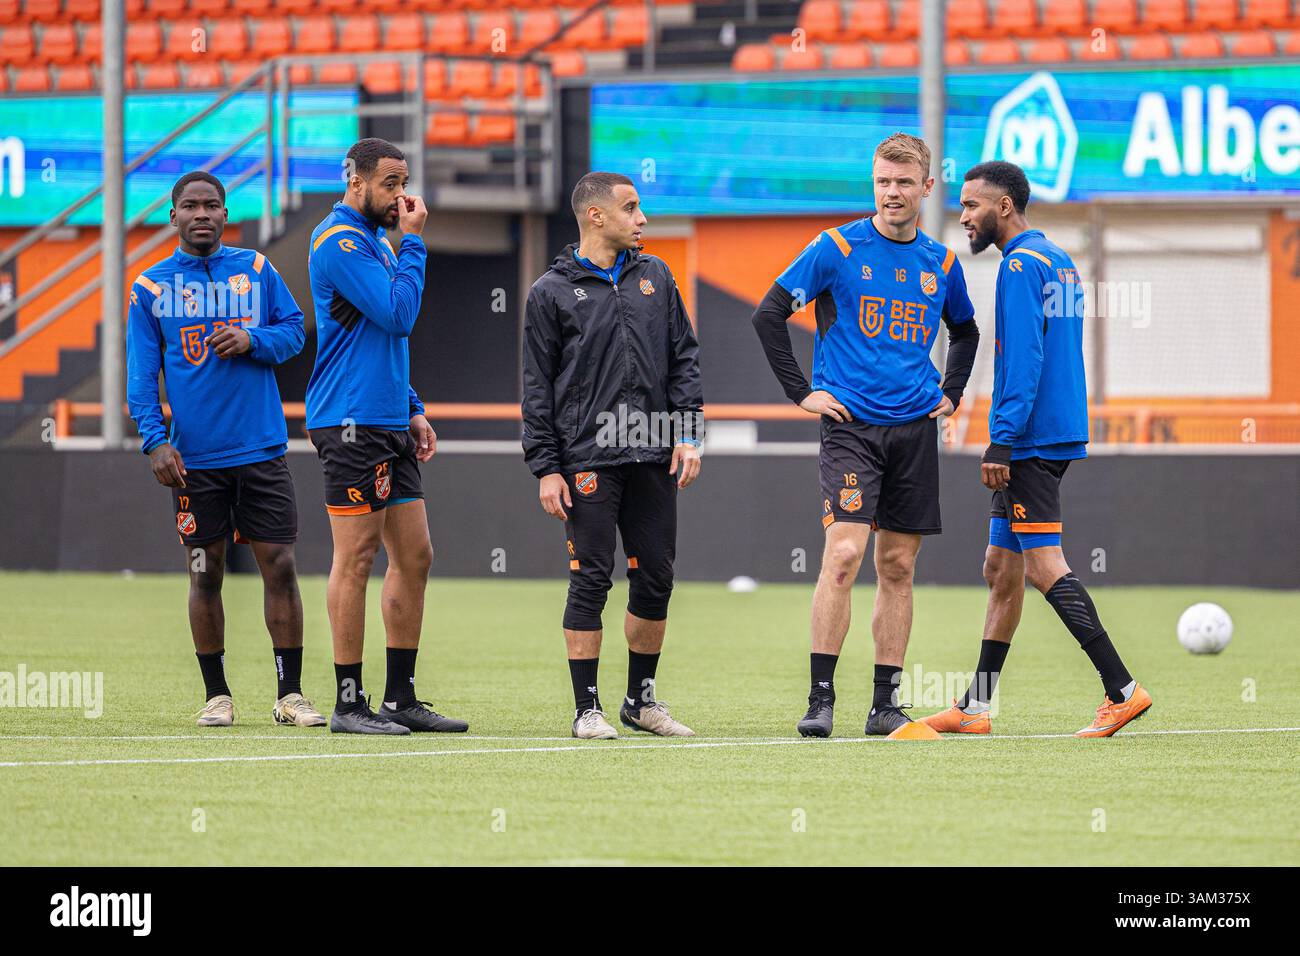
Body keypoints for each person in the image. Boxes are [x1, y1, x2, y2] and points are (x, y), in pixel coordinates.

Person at [751, 133, 980, 738]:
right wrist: (801, 391)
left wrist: (951, 392)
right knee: (845, 554)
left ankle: (884, 705)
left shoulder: (943, 263)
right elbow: (769, 314)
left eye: (904, 183)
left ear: (928, 187)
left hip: (913, 432)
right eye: (883, 181)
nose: (892, 193)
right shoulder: (836, 248)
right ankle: (821, 697)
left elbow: (967, 331)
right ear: (872, 183)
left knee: (899, 565)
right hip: (850, 429)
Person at [921, 160, 1151, 738]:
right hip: (1054, 429)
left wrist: (1002, 440)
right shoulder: (1058, 258)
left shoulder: (1020, 266)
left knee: (1045, 566)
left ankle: (1121, 689)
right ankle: (975, 707)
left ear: (1003, 206)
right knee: (1002, 569)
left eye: (971, 206)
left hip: (1030, 440)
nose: (964, 217)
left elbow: (1023, 360)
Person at [126, 170, 321, 728]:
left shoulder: (255, 270)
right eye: (191, 206)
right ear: (174, 216)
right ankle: (218, 695)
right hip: (194, 461)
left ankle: (290, 696)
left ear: (225, 213)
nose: (202, 214)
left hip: (260, 449)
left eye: (212, 205)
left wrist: (253, 340)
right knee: (204, 572)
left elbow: (294, 331)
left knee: (279, 566)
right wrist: (155, 442)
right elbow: (142, 378)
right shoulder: (150, 288)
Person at [522, 171, 704, 740]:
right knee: (591, 580)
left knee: (656, 578)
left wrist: (688, 433)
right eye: (631, 208)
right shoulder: (549, 292)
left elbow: (684, 361)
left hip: (652, 454)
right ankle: (587, 710)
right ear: (595, 216)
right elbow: (536, 386)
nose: (642, 218)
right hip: (587, 459)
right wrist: (547, 467)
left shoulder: (657, 277)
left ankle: (640, 703)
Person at [306, 138, 467, 735]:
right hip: (350, 423)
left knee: (416, 555)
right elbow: (399, 316)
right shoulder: (340, 240)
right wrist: (415, 243)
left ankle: (400, 699)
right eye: (392, 184)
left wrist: (414, 408)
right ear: (358, 182)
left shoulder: (372, 239)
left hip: (387, 419)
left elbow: (381, 344)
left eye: (405, 183)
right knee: (356, 558)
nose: (402, 195)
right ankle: (350, 703)